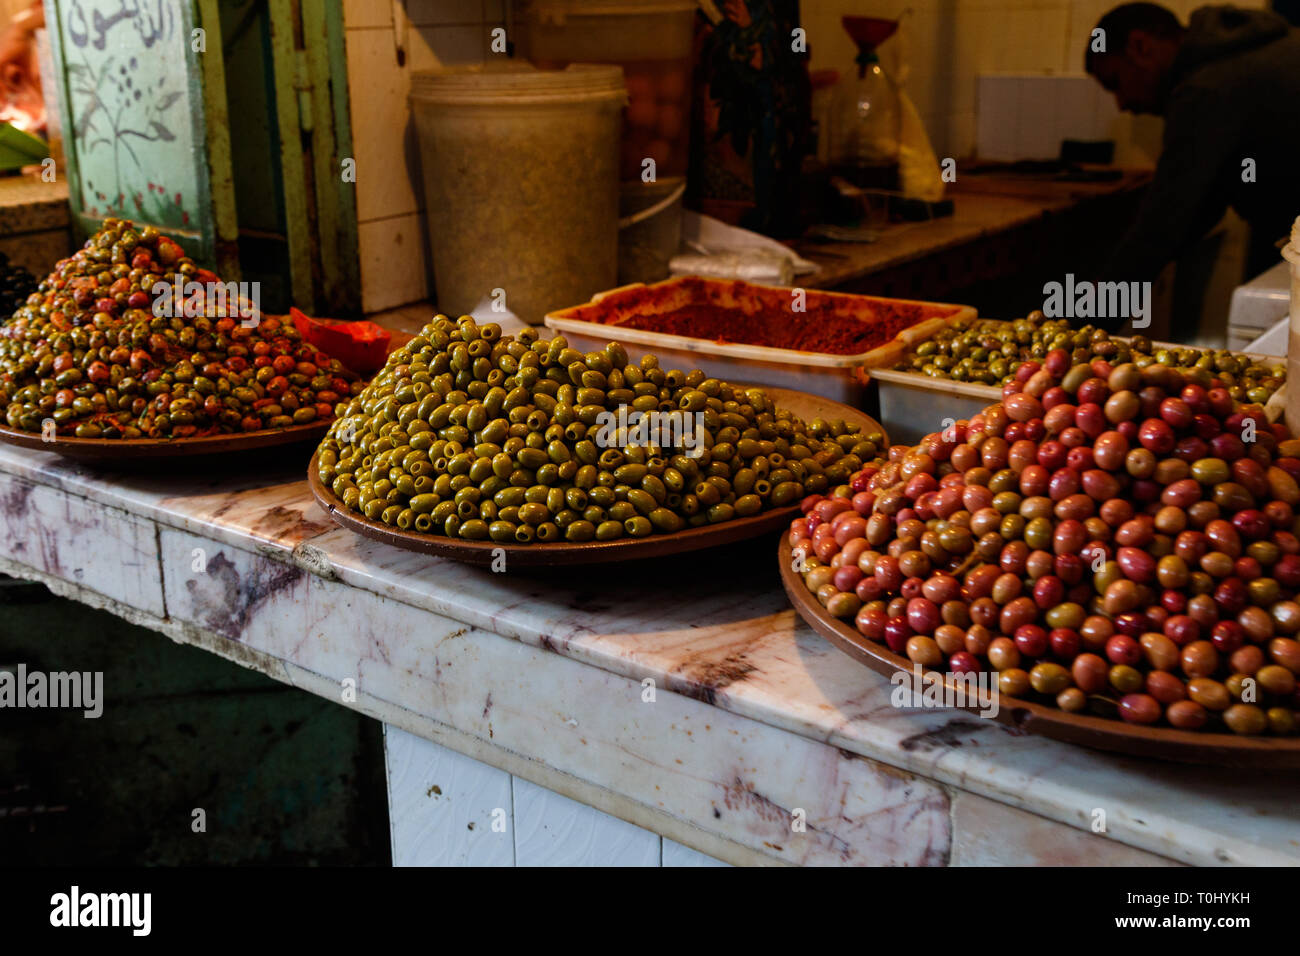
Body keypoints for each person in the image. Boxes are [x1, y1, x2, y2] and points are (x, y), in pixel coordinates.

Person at [1085, 3, 1300, 290]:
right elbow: (1197, 208)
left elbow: (1162, 227)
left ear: (1140, 47)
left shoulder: (1207, 88)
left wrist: (1082, 321)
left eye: (1115, 82)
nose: (1121, 103)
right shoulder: (1251, 57)